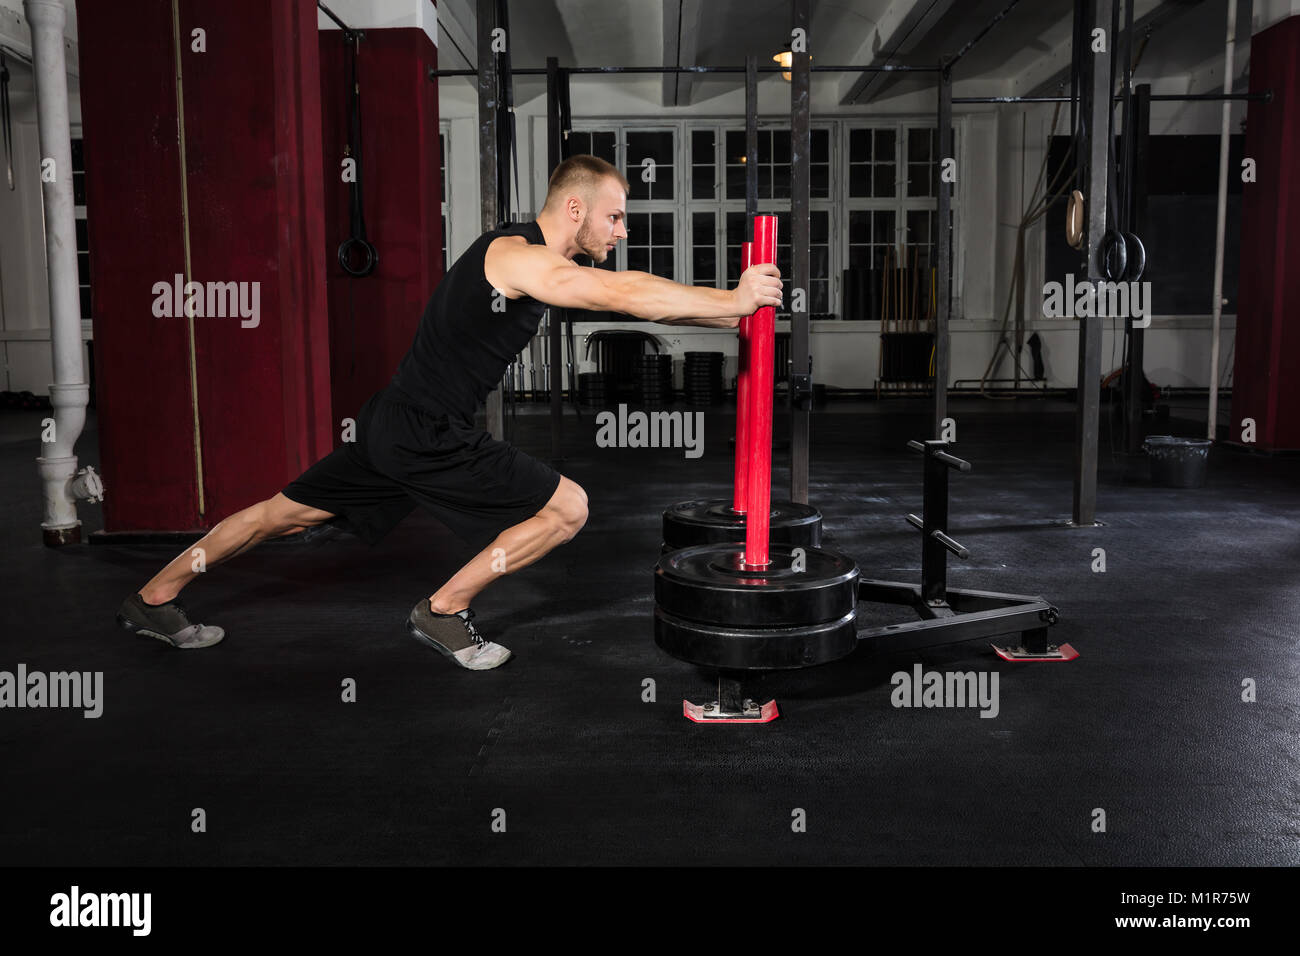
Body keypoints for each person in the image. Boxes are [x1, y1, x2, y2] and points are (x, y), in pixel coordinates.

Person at [116, 154, 783, 670]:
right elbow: (614, 293)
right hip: (426, 430)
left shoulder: (518, 252)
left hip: (393, 421)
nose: (622, 228)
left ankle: (153, 599)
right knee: (567, 509)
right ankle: (445, 609)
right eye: (614, 216)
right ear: (575, 208)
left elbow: (608, 285)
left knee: (277, 517)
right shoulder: (521, 257)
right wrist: (730, 301)